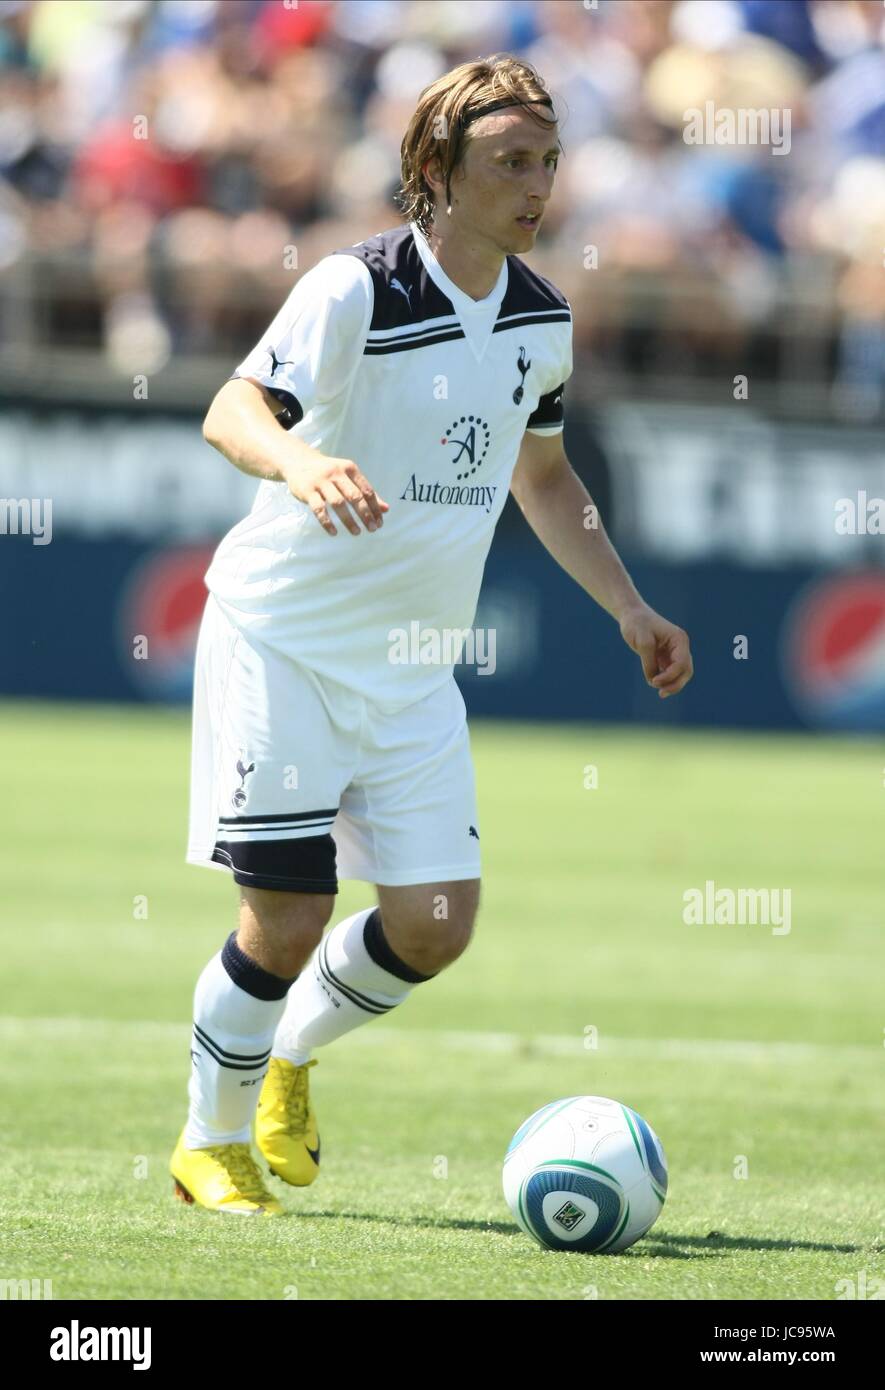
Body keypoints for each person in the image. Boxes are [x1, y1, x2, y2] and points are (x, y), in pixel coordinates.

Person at [170, 53, 693, 1214]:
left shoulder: (541, 320)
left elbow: (546, 480)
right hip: (285, 641)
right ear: (434, 169)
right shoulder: (355, 290)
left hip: (412, 672)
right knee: (291, 913)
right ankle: (208, 1139)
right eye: (510, 160)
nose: (536, 182)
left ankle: (287, 1061)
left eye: (547, 160)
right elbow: (230, 409)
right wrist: (303, 462)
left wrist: (630, 604)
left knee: (437, 922)